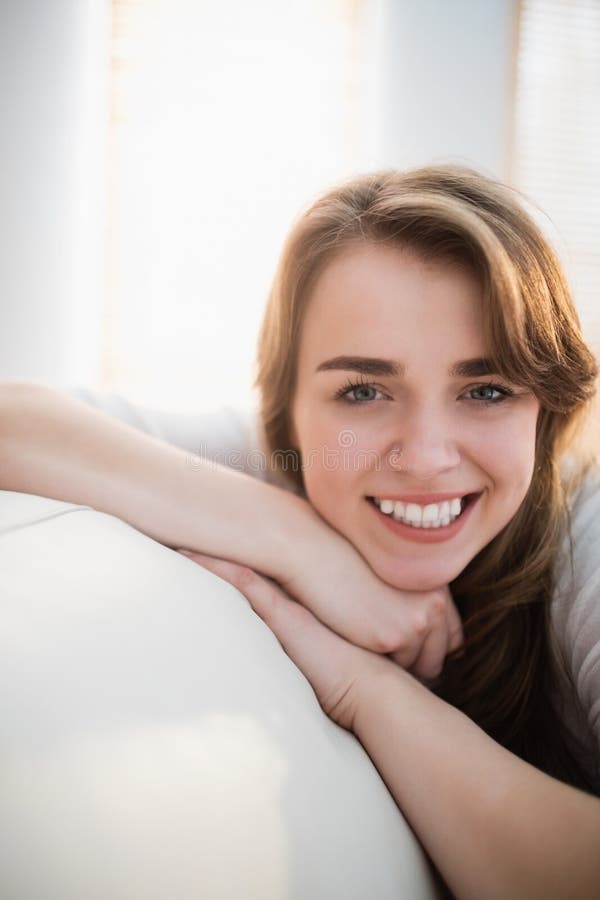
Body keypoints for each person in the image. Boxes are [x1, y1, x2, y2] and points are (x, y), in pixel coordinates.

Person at [1, 165, 599, 898]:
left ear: (547, 407)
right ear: (285, 411)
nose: (425, 455)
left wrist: (371, 693)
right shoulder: (287, 461)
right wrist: (298, 539)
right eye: (364, 391)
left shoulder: (586, 532)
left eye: (486, 390)